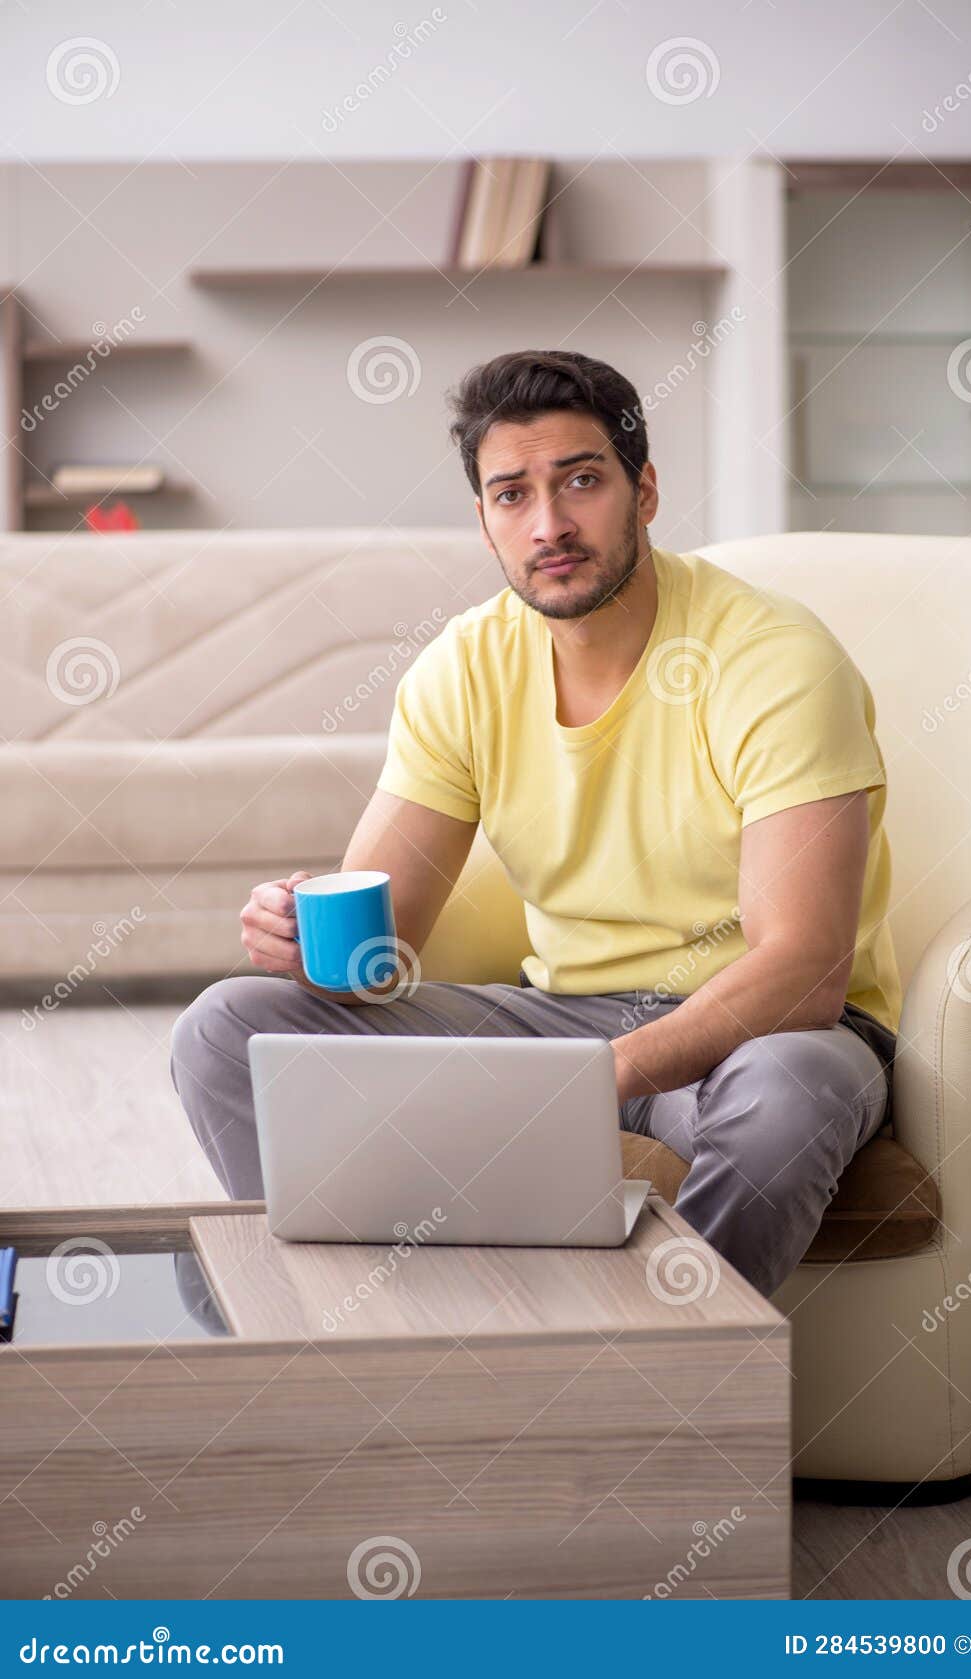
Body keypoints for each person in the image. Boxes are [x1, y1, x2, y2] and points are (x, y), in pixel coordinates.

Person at [171, 348, 901, 1297]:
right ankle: (367, 1329)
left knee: (789, 1097)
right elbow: (374, 959)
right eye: (511, 494)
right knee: (228, 1025)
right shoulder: (463, 667)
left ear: (644, 492)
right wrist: (299, 927)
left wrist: (599, 1079)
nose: (549, 524)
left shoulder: (772, 659)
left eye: (581, 482)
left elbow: (804, 969)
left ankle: (658, 1397)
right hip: (558, 1017)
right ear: (483, 520)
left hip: (761, 1034)